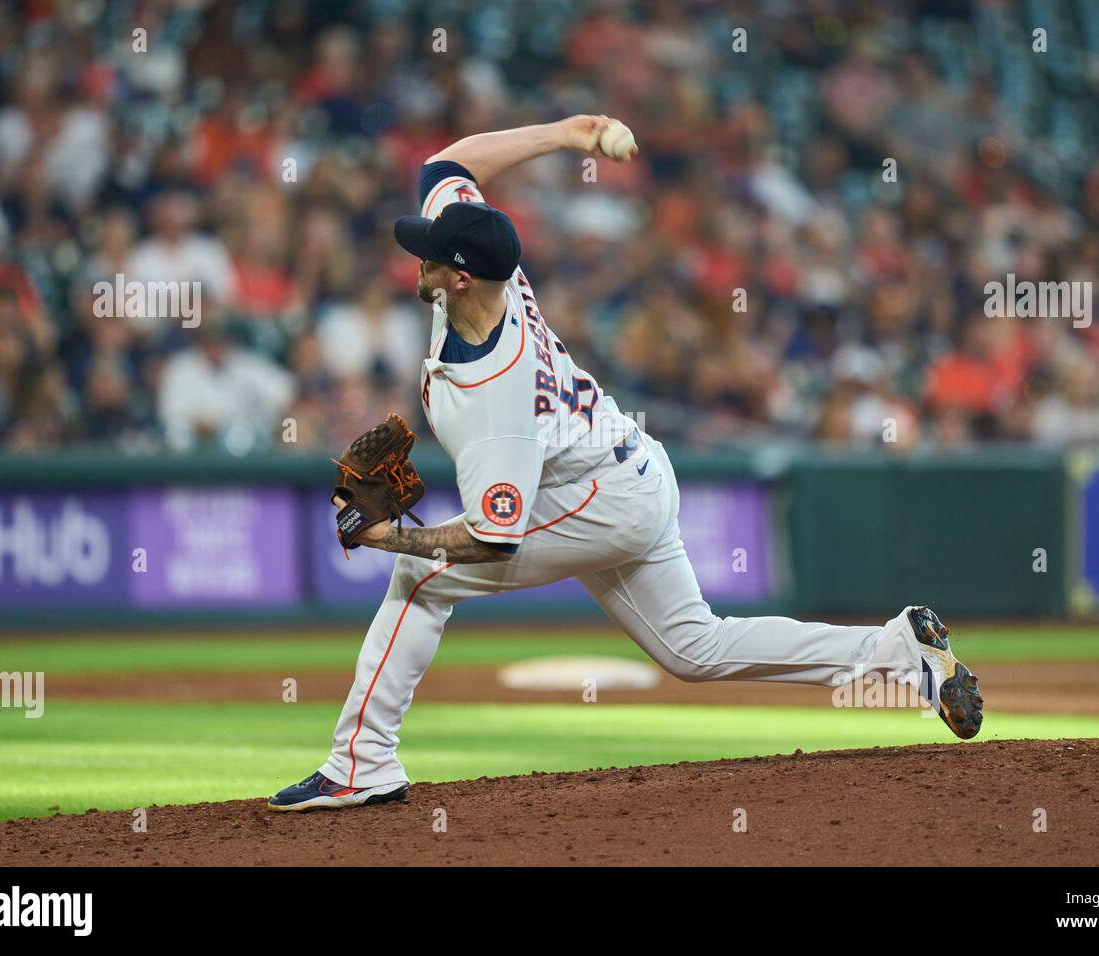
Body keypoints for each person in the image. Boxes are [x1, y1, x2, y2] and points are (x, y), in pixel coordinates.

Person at [268, 116, 983, 811]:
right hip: (627, 467)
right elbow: (445, 168)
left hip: (600, 497)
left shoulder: (496, 402)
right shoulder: (492, 270)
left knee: (422, 575)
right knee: (693, 649)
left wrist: (388, 537)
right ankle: (895, 654)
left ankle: (359, 764)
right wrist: (563, 133)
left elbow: (494, 536)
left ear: (459, 278)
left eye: (428, 254)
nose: (414, 258)